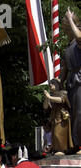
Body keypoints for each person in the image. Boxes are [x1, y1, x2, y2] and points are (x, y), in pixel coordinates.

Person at [60, 8, 81, 148]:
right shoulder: (68, 47)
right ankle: (75, 144)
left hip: (80, 79)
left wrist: (70, 18)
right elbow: (64, 69)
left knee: (80, 113)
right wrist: (58, 82)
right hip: (71, 82)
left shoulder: (78, 41)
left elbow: (79, 37)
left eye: (68, 29)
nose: (67, 32)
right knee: (73, 115)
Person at [43, 78, 73, 154]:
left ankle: (61, 149)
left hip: (61, 117)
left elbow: (61, 100)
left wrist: (49, 97)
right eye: (50, 83)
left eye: (53, 83)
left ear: (59, 85)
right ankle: (57, 149)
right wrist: (47, 97)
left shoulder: (63, 92)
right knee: (54, 135)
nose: (50, 85)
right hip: (54, 117)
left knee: (58, 133)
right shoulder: (52, 95)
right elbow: (46, 107)